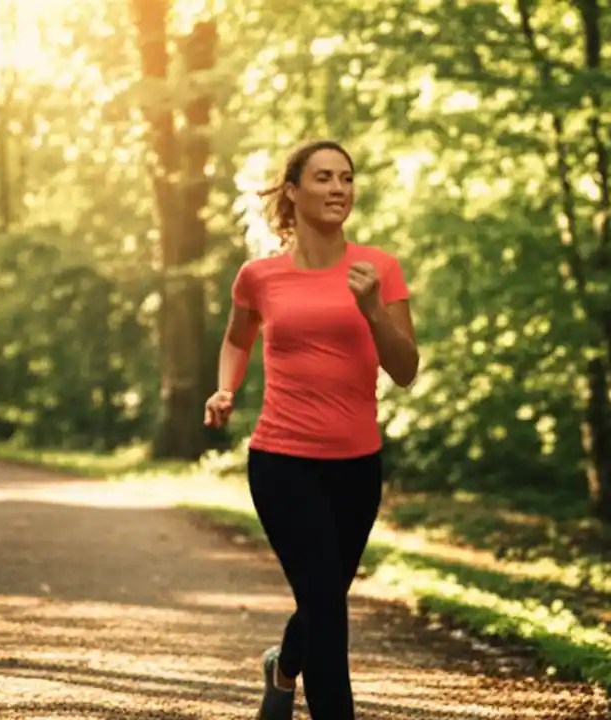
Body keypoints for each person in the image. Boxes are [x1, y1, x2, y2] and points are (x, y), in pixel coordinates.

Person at [203, 139, 419, 720]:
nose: (338, 189)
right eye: (323, 177)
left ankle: (283, 665)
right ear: (293, 190)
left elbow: (405, 372)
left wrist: (374, 310)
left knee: (324, 596)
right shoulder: (259, 277)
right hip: (282, 461)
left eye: (346, 178)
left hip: (357, 465)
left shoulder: (380, 270)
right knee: (327, 604)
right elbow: (236, 338)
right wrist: (226, 386)